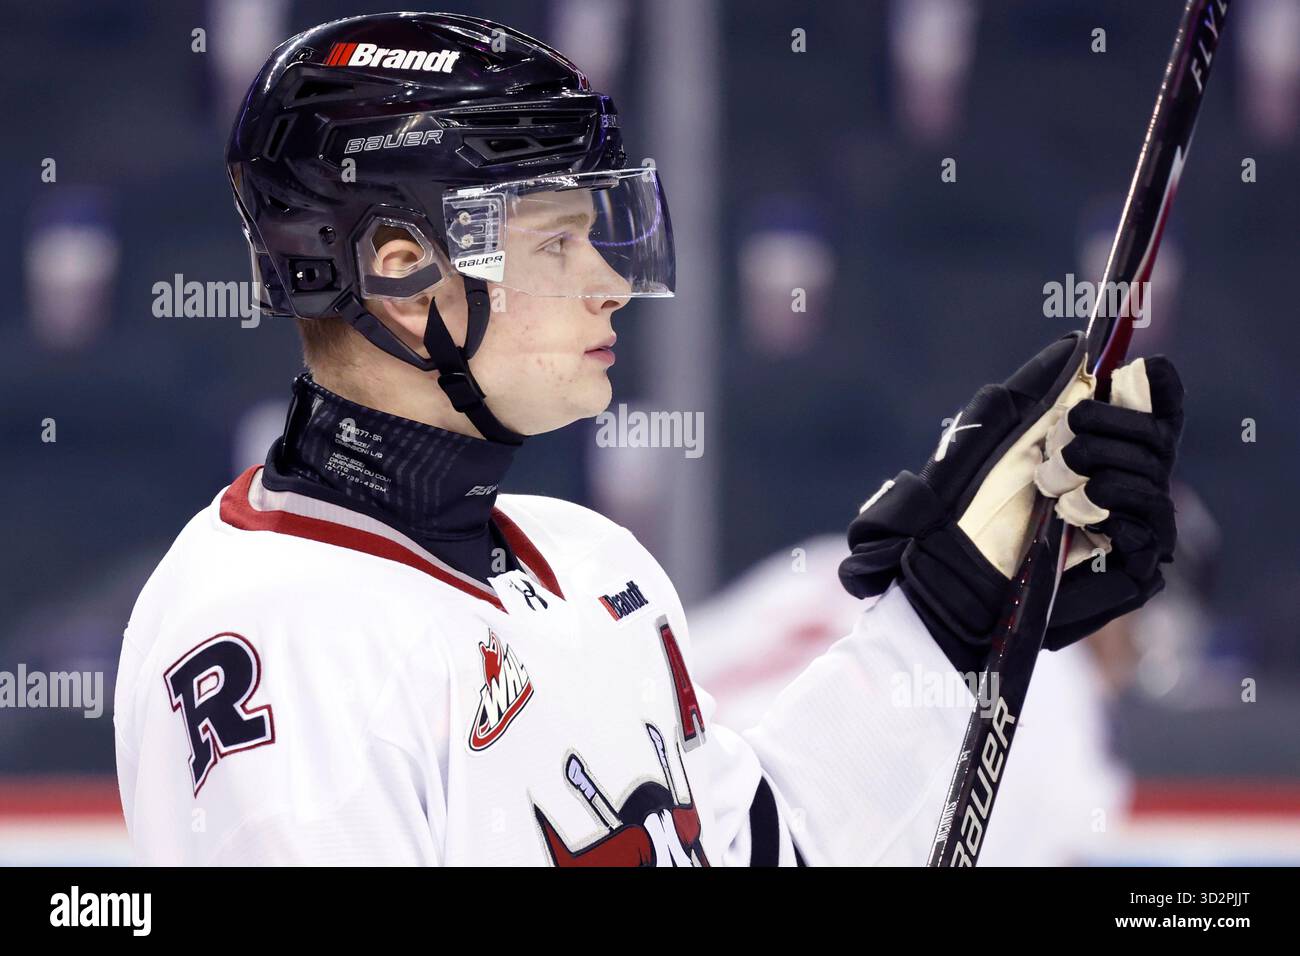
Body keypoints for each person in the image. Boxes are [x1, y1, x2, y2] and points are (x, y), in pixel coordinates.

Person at [113, 12, 1184, 866]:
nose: (611, 284)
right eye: (558, 242)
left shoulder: (590, 566)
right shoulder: (267, 638)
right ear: (402, 270)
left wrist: (946, 616)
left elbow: (771, 847)